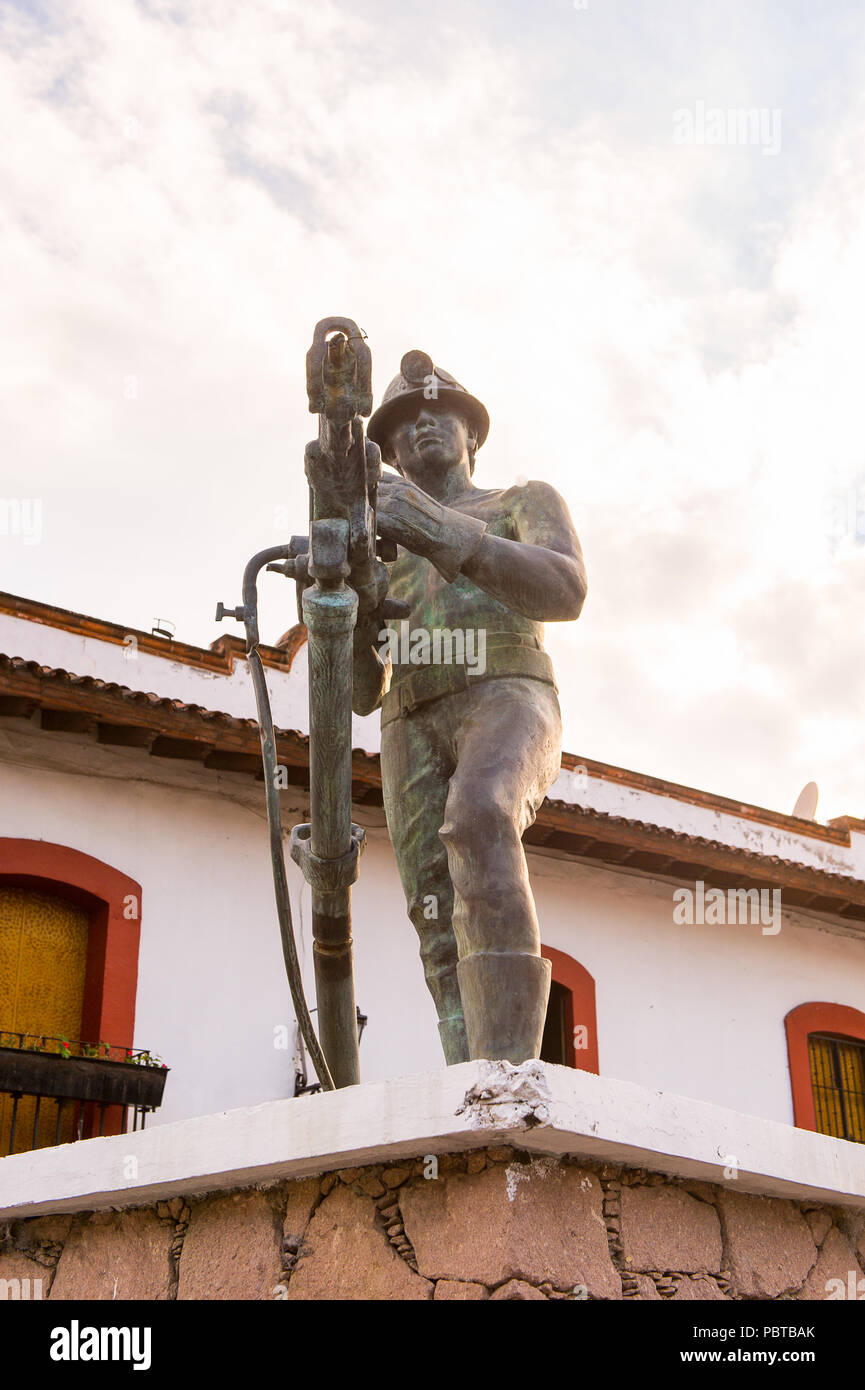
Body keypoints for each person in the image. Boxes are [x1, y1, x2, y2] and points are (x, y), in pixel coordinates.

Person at [352, 350, 587, 1064]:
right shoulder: (378, 546)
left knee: (481, 814)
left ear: (471, 436)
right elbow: (364, 691)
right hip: (410, 716)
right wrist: (351, 613)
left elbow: (565, 591)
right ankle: (468, 1071)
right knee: (430, 903)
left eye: (440, 413)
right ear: (386, 450)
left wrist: (437, 528)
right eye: (404, 420)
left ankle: (511, 1069)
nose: (424, 424)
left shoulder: (520, 500)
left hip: (505, 687)